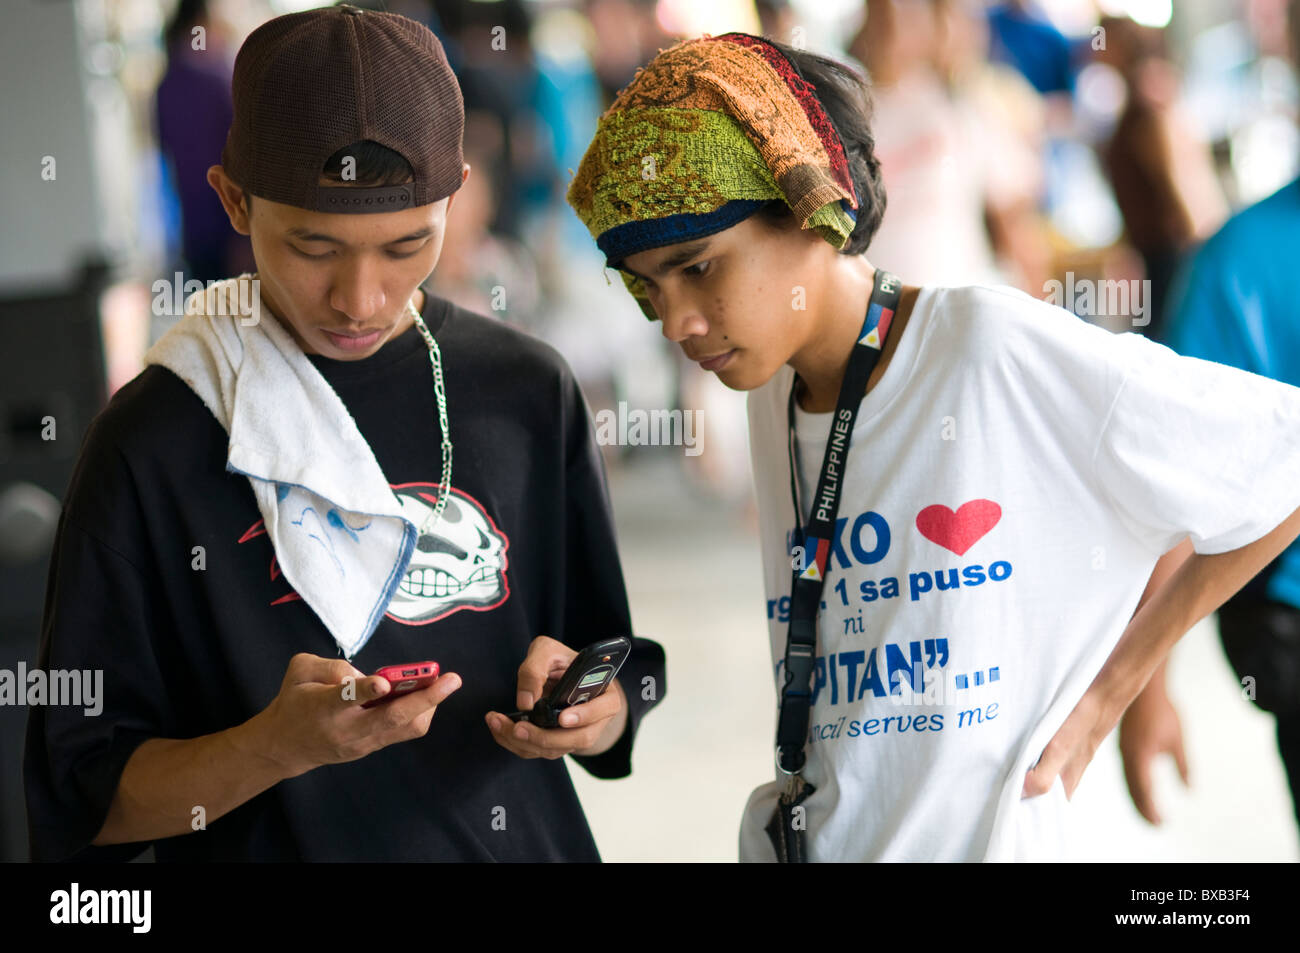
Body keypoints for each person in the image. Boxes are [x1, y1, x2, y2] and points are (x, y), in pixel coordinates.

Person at [565, 32, 1300, 861]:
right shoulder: (772, 390)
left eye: (697, 267)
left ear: (811, 204)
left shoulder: (983, 346)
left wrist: (1113, 693)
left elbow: (1284, 460)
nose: (676, 322)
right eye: (647, 286)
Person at [24, 4, 664, 863]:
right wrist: (276, 746)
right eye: (314, 246)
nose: (361, 299)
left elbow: (612, 661)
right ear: (234, 201)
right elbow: (86, 800)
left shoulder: (524, 391)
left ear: (459, 199)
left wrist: (595, 710)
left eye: (406, 244)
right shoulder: (154, 442)